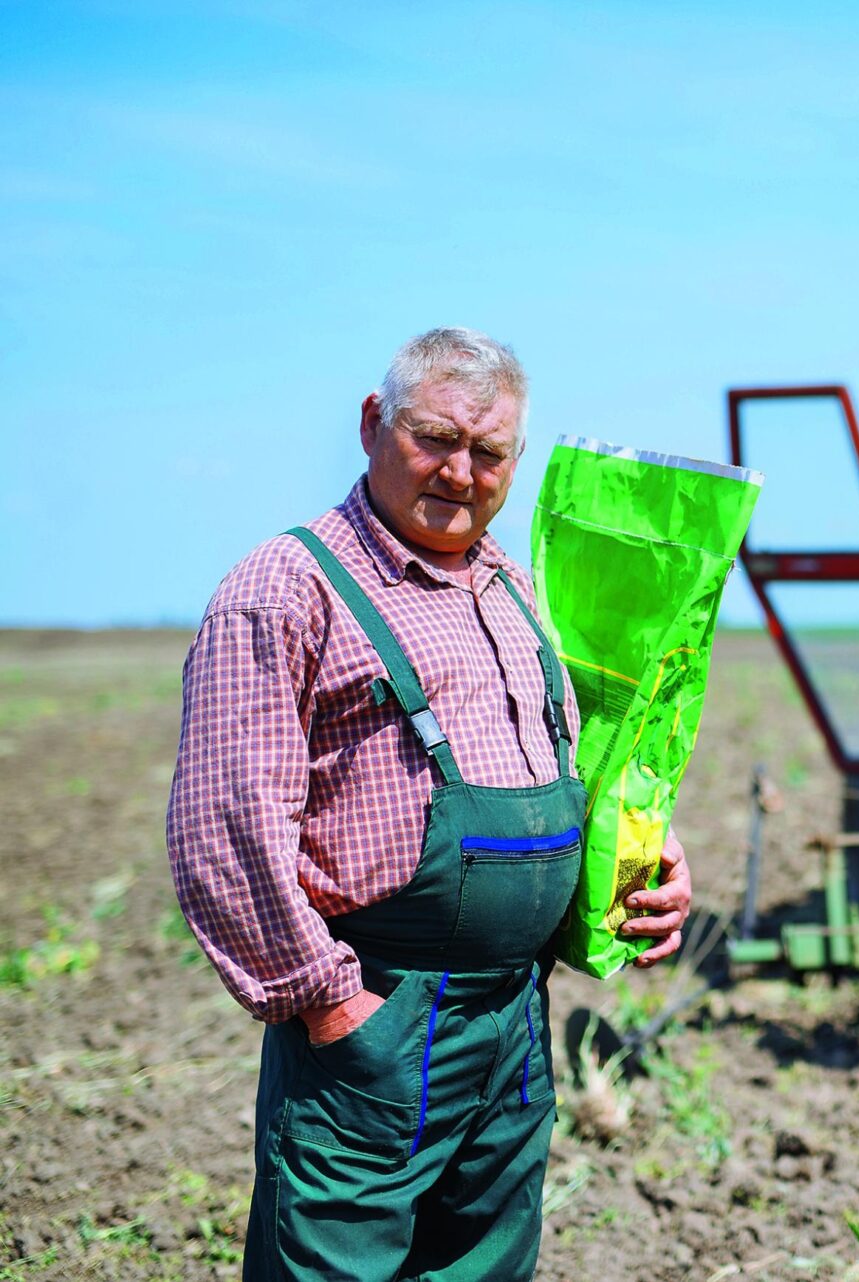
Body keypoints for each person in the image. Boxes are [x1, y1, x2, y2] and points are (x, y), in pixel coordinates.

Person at [165, 327, 690, 1281]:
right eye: (435, 438)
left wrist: (648, 863)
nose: (461, 472)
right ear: (374, 425)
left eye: (489, 453)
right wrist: (329, 1006)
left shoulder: (517, 590)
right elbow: (225, 828)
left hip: (514, 1022)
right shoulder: (288, 589)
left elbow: (566, 765)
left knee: (485, 1264)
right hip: (376, 1020)